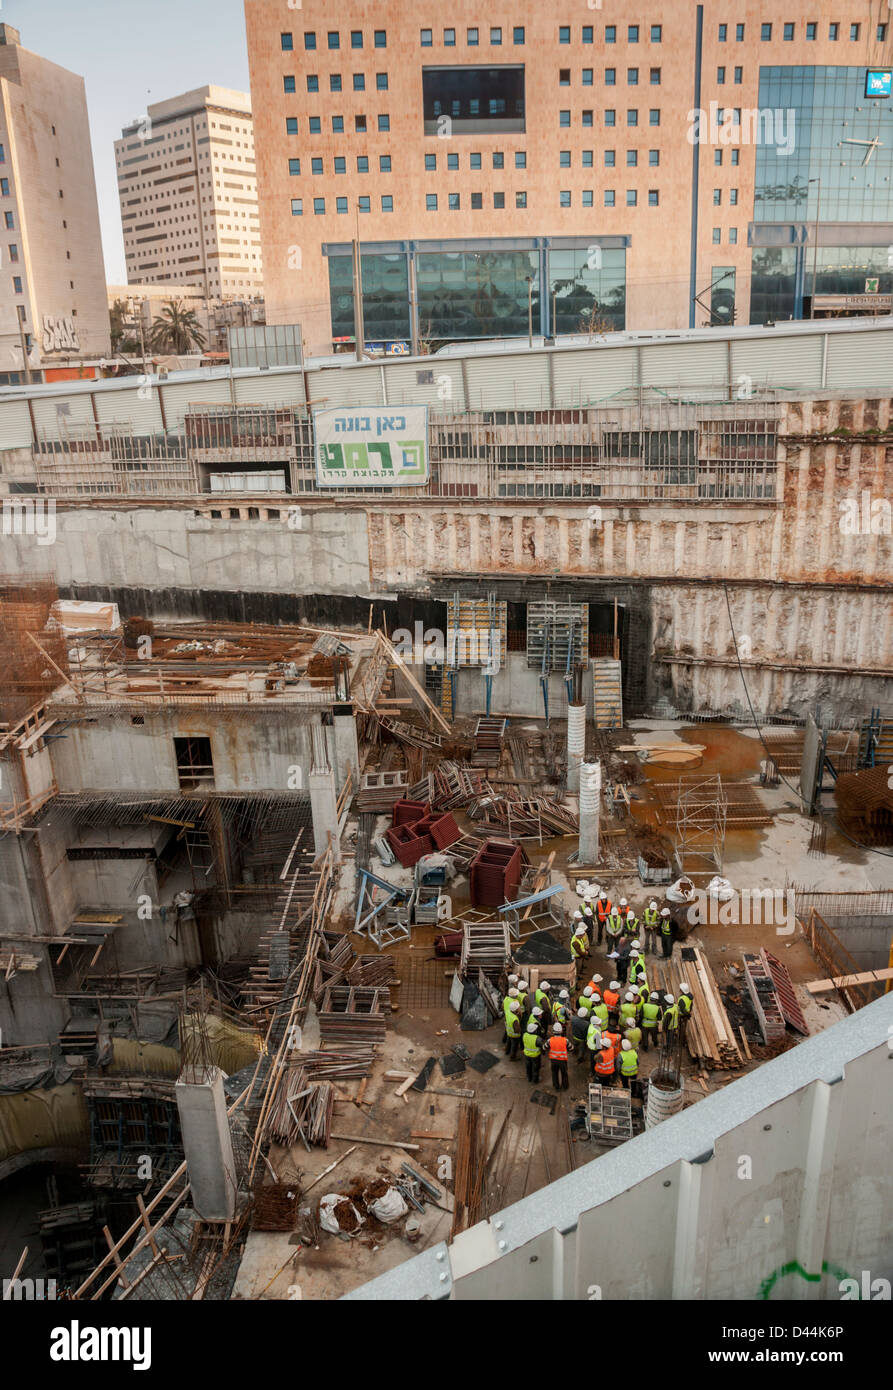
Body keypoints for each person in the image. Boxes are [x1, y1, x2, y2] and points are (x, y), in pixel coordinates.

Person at [548, 1023, 569, 1091]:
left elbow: (544, 1047)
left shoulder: (550, 1040)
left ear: (553, 1031)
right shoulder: (565, 1040)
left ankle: (556, 1086)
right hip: (562, 1060)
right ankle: (565, 1086)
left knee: (554, 1073)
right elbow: (571, 1048)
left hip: (553, 1061)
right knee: (564, 1073)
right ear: (561, 1031)